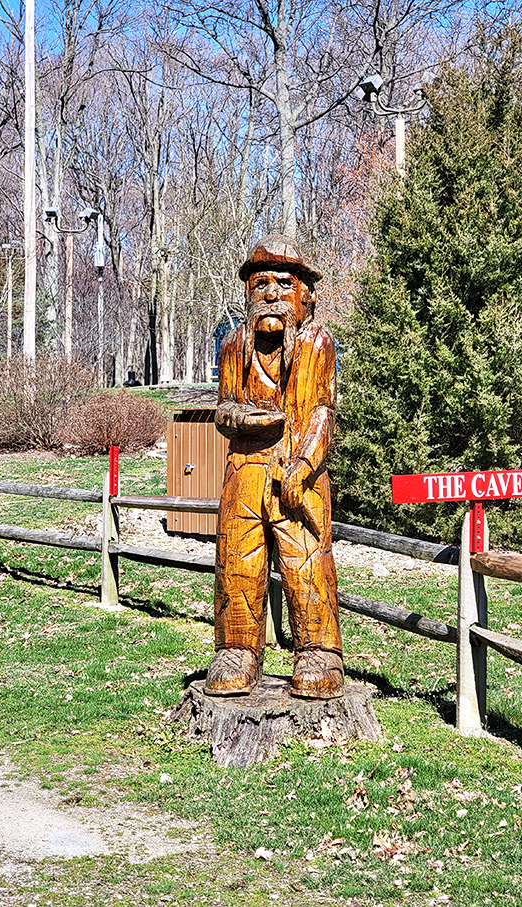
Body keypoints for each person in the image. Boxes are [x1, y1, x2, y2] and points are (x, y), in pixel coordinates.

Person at [205, 234, 344, 699]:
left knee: (306, 556)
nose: (270, 293)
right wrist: (240, 416)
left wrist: (304, 465)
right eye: (260, 282)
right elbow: (222, 407)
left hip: (298, 470)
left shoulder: (316, 345)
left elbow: (324, 412)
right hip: (245, 466)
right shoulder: (235, 344)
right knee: (238, 559)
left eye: (284, 284)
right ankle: (238, 649)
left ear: (307, 295)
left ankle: (318, 649)